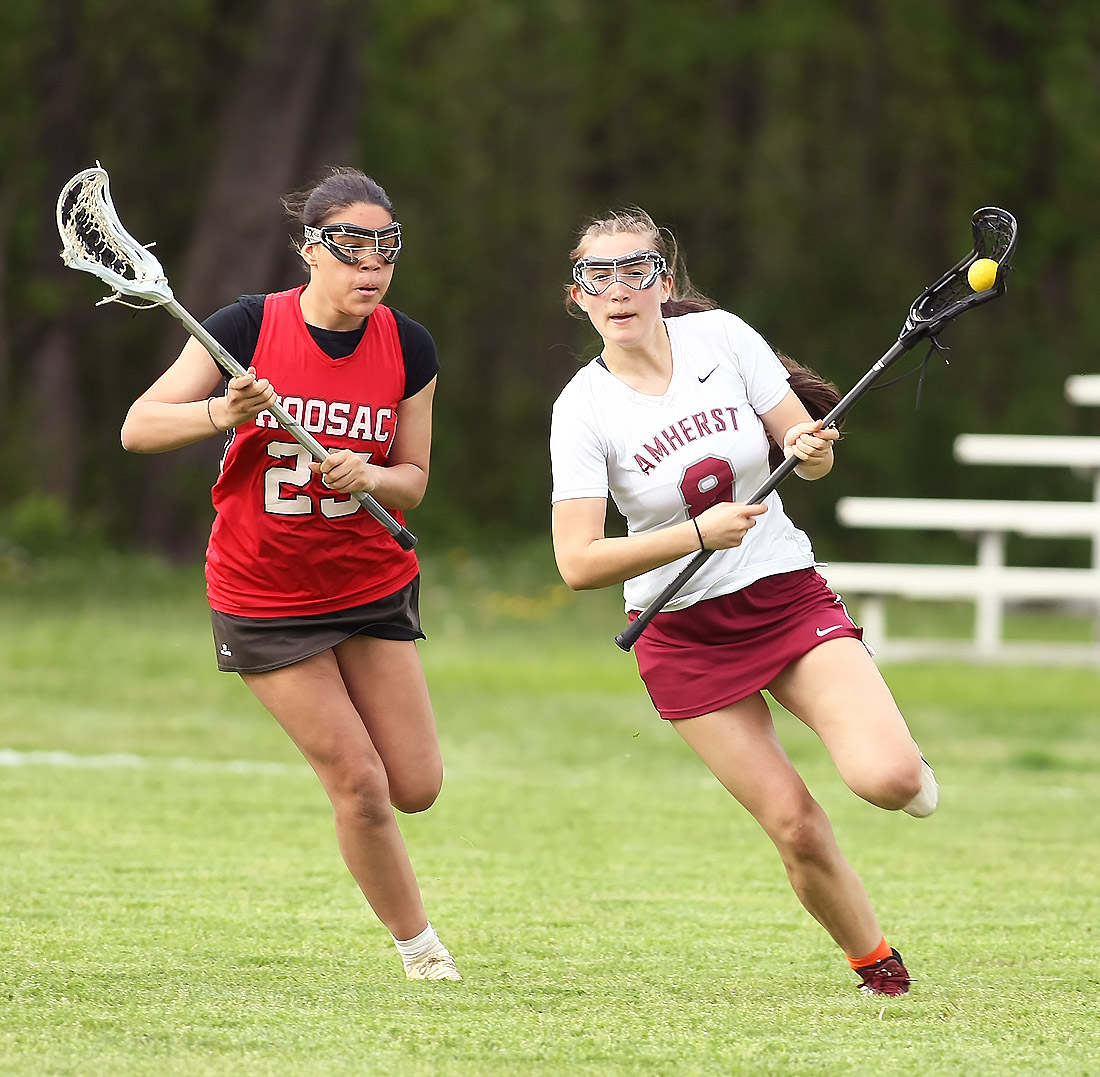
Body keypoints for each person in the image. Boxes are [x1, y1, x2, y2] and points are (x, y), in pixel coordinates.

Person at [549, 208, 938, 997]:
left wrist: (810, 450)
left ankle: (907, 759)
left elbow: (809, 456)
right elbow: (578, 561)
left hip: (783, 595)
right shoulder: (582, 408)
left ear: (663, 281)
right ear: (579, 295)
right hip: (682, 634)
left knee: (890, 781)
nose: (619, 288)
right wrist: (696, 534)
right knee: (794, 823)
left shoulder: (723, 339)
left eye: (636, 270)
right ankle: (877, 967)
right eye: (599, 275)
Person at [121, 167, 460, 982]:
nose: (371, 264)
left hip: (368, 581)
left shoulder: (410, 345)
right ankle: (422, 953)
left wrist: (371, 476)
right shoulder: (245, 326)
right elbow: (139, 427)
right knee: (360, 781)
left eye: (386, 247)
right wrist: (223, 411)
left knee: (416, 785)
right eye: (350, 246)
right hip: (265, 592)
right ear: (310, 249)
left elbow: (413, 479)